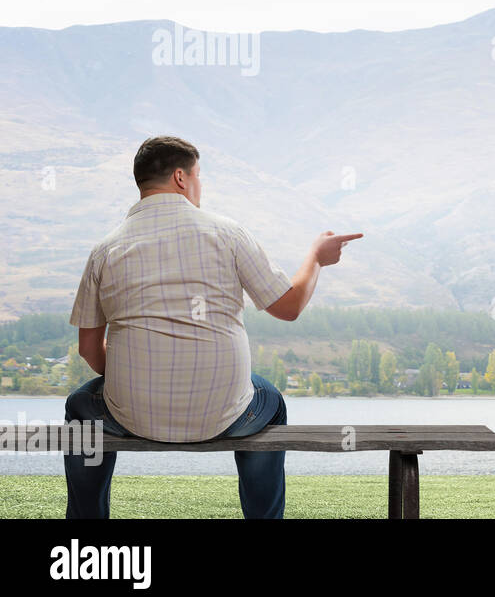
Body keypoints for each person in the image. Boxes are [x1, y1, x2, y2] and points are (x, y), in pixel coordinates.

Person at [64, 135, 362, 518]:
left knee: (79, 404)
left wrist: (128, 378)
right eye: (199, 175)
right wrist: (316, 258)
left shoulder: (105, 250)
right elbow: (289, 308)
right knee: (269, 401)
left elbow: (89, 350)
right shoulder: (227, 233)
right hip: (229, 415)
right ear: (181, 177)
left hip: (129, 416)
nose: (200, 185)